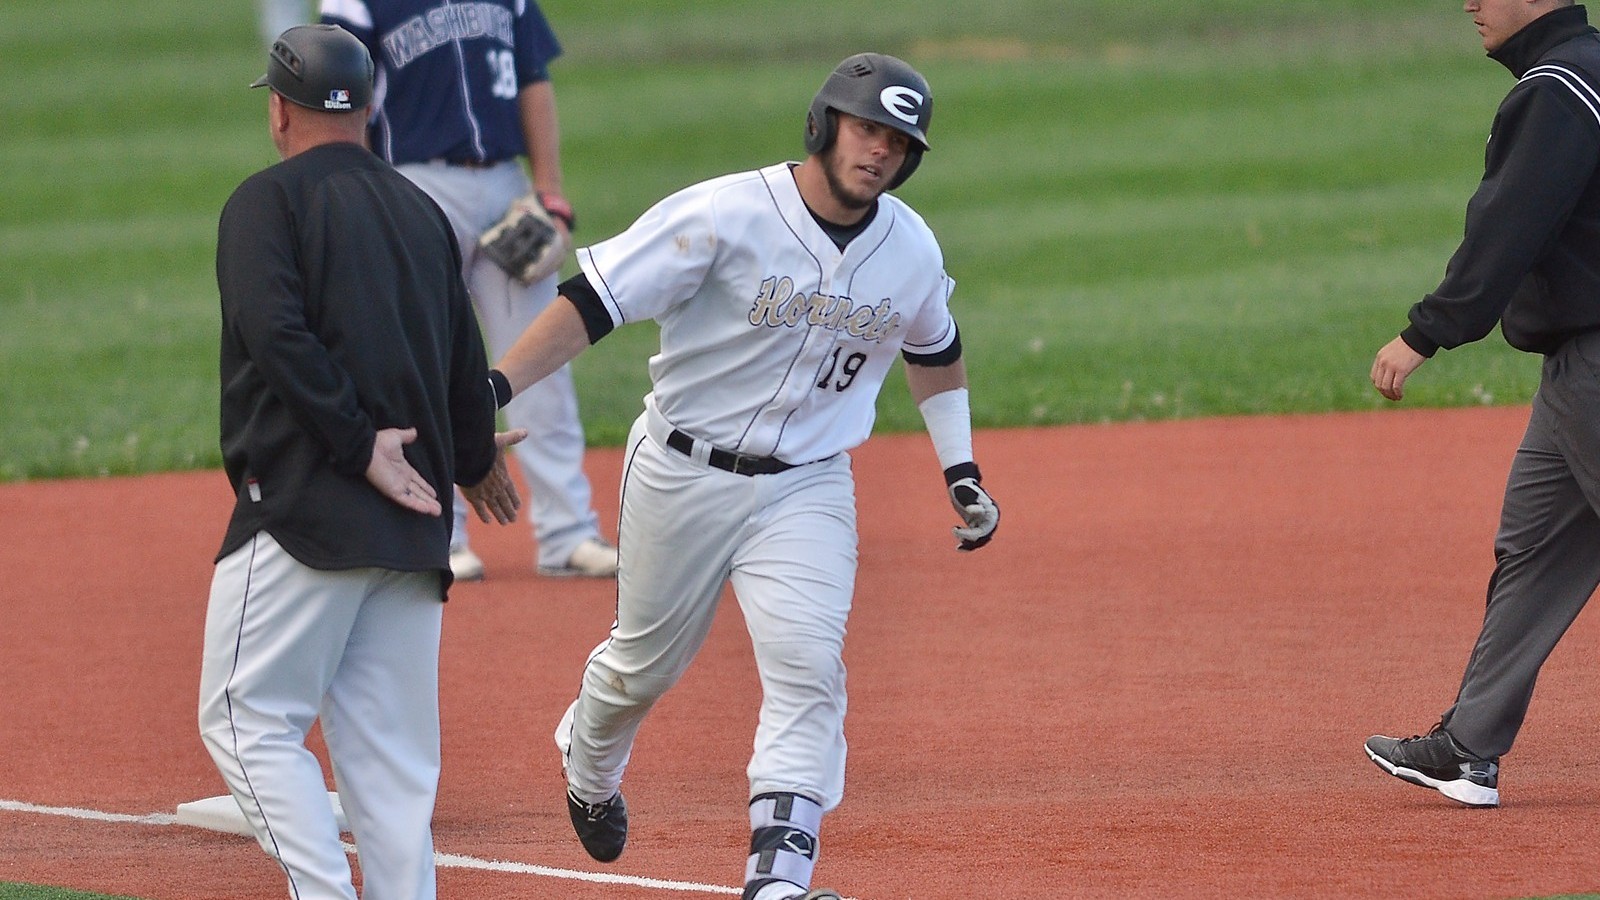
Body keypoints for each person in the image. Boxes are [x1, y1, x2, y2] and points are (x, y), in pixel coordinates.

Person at [482, 53, 1000, 900]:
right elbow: (593, 302)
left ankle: (779, 878)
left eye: (898, 142)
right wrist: (492, 389)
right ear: (825, 125)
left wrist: (962, 469)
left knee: (807, 663)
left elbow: (934, 348)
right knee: (640, 669)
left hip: (809, 485)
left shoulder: (909, 246)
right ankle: (589, 762)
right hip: (683, 473)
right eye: (867, 129)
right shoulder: (723, 213)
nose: (879, 152)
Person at [198, 24, 525, 899]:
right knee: (391, 771)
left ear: (278, 111)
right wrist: (471, 452)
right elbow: (464, 355)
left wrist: (353, 442)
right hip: (417, 536)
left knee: (245, 719)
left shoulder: (266, 203)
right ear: (371, 104)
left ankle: (321, 892)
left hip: (307, 513)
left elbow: (275, 334)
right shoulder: (424, 211)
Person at [1365, 0, 1600, 808]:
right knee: (1534, 552)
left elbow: (1510, 225)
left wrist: (1428, 333)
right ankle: (1468, 749)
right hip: (1575, 371)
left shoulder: (1560, 85)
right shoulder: (1585, 72)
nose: (1471, 2)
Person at [319, 0, 618, 582]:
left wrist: (550, 191)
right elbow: (340, 92)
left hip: (506, 183)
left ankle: (568, 533)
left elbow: (533, 77)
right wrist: (363, 192)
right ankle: (441, 532)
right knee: (420, 362)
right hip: (413, 180)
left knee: (543, 360)